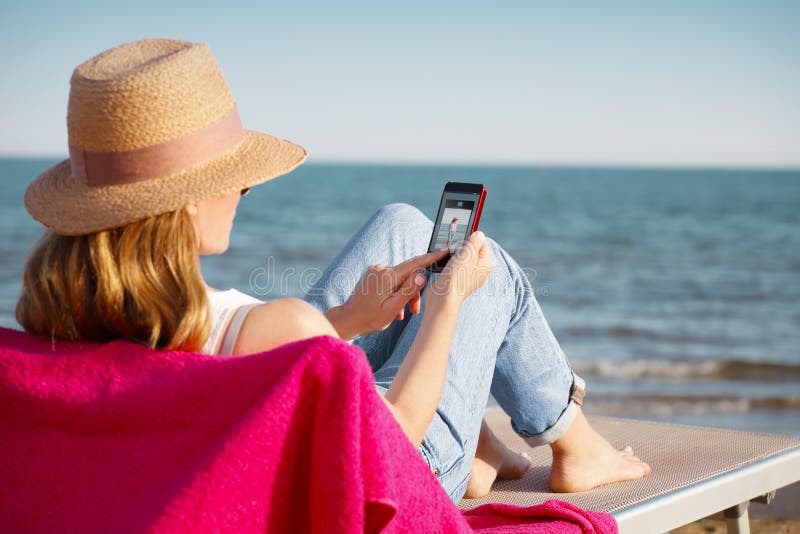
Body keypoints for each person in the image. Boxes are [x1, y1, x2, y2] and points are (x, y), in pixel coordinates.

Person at [16, 39, 650, 503]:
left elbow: (282, 354)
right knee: (487, 272)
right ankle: (571, 446)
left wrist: (347, 320)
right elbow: (395, 443)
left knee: (404, 226)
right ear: (185, 200)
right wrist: (447, 306)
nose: (241, 192)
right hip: (406, 467)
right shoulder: (271, 327)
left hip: (302, 419)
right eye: (236, 179)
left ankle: (488, 451)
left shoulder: (69, 323)